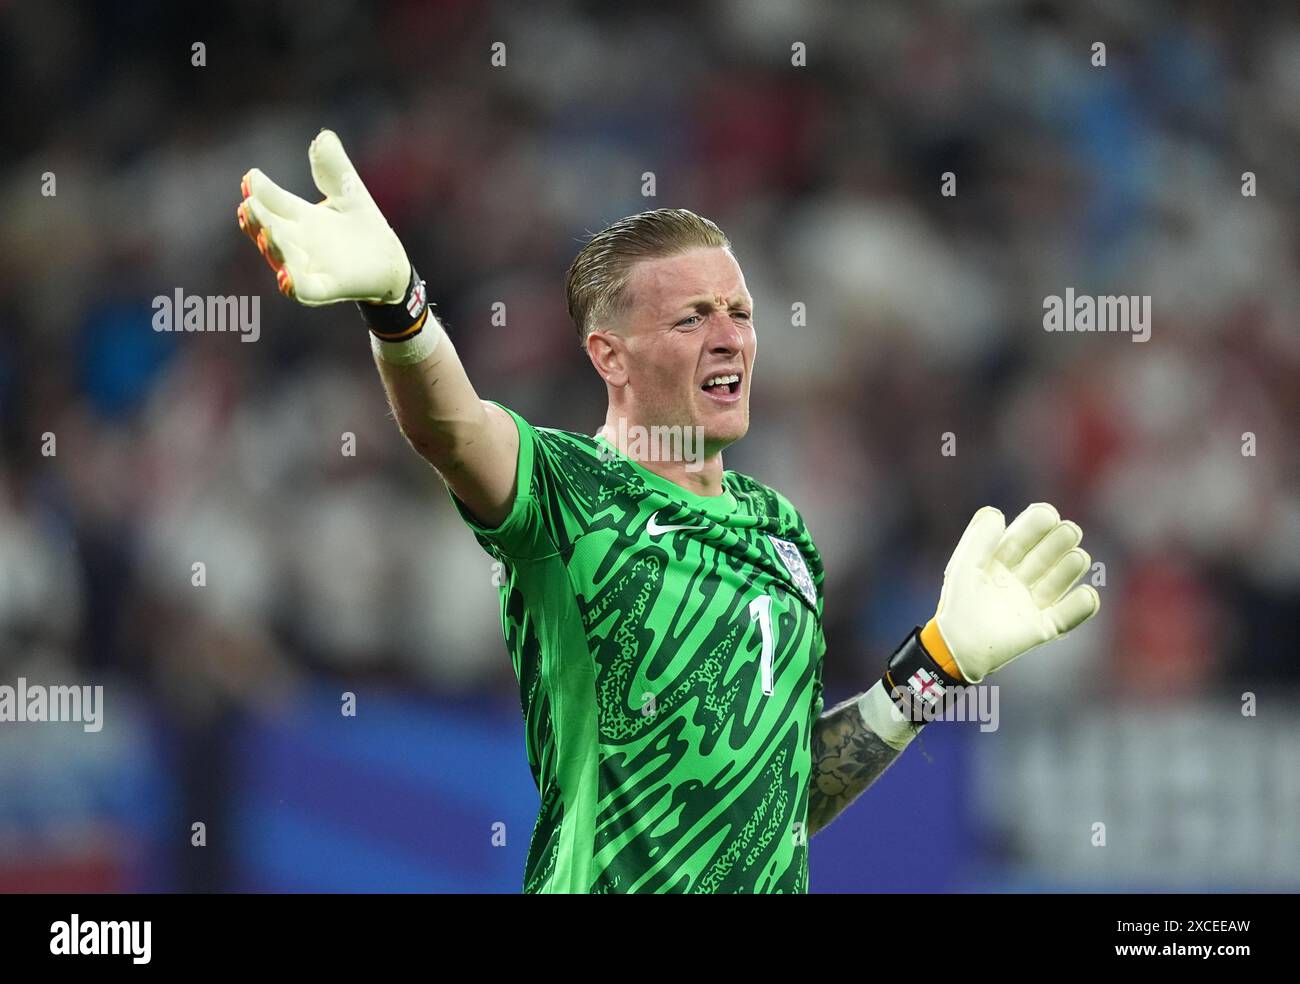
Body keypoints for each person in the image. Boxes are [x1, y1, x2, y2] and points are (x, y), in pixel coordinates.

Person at [236, 130, 1101, 893]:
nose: (730, 336)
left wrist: (935, 666)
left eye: (740, 312)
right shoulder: (569, 493)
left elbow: (786, 799)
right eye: (692, 318)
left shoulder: (783, 532)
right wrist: (400, 309)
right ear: (610, 355)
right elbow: (454, 430)